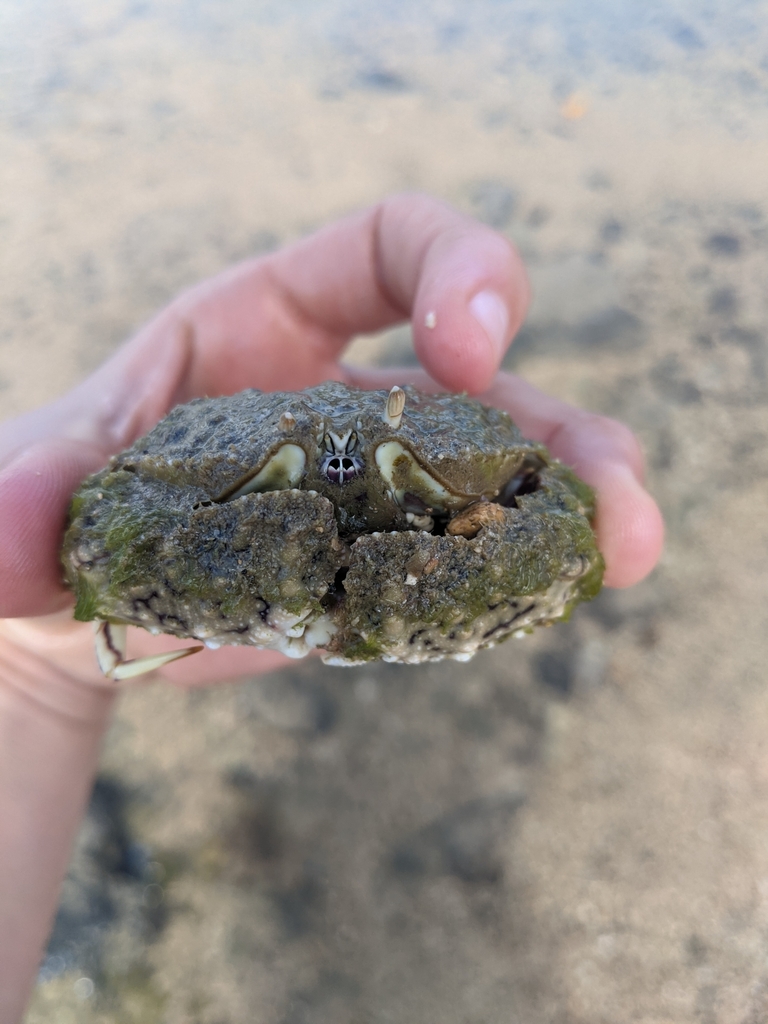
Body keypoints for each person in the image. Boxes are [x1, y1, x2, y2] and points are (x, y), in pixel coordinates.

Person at [0, 194, 663, 1022]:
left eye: (383, 463)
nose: (348, 471)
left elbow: (561, 514)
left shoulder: (516, 473)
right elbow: (101, 524)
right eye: (302, 469)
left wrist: (29, 672)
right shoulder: (136, 478)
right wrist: (31, 655)